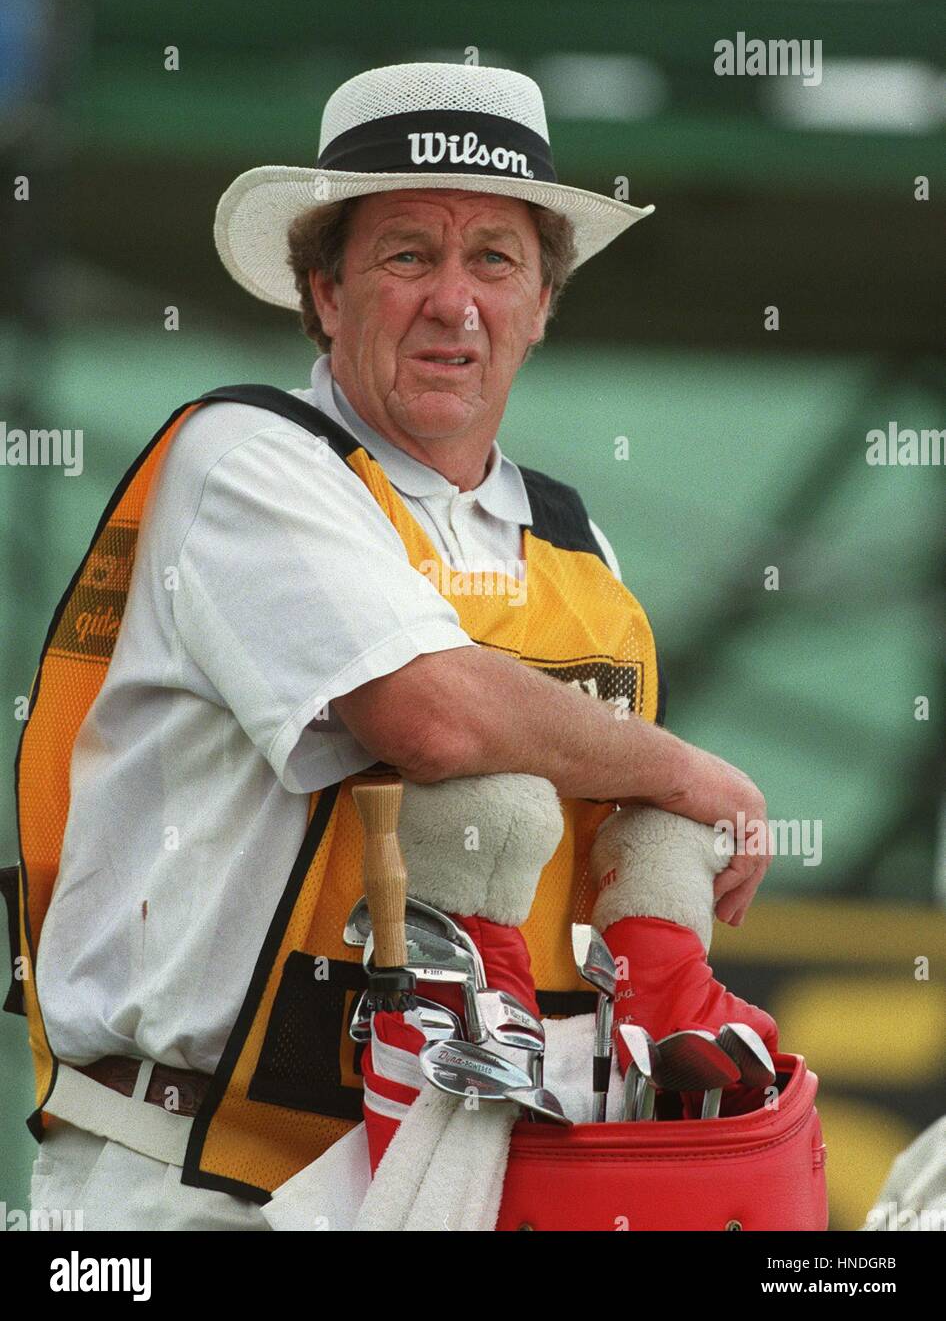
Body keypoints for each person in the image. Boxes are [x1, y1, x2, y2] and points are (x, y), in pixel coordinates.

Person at [17, 62, 769, 1230]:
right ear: (324, 293)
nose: (453, 301)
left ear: (541, 303)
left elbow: (593, 839)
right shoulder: (245, 454)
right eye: (408, 255)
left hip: (464, 1168)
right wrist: (686, 771)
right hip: (194, 1183)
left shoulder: (575, 540)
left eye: (494, 260)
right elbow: (429, 714)